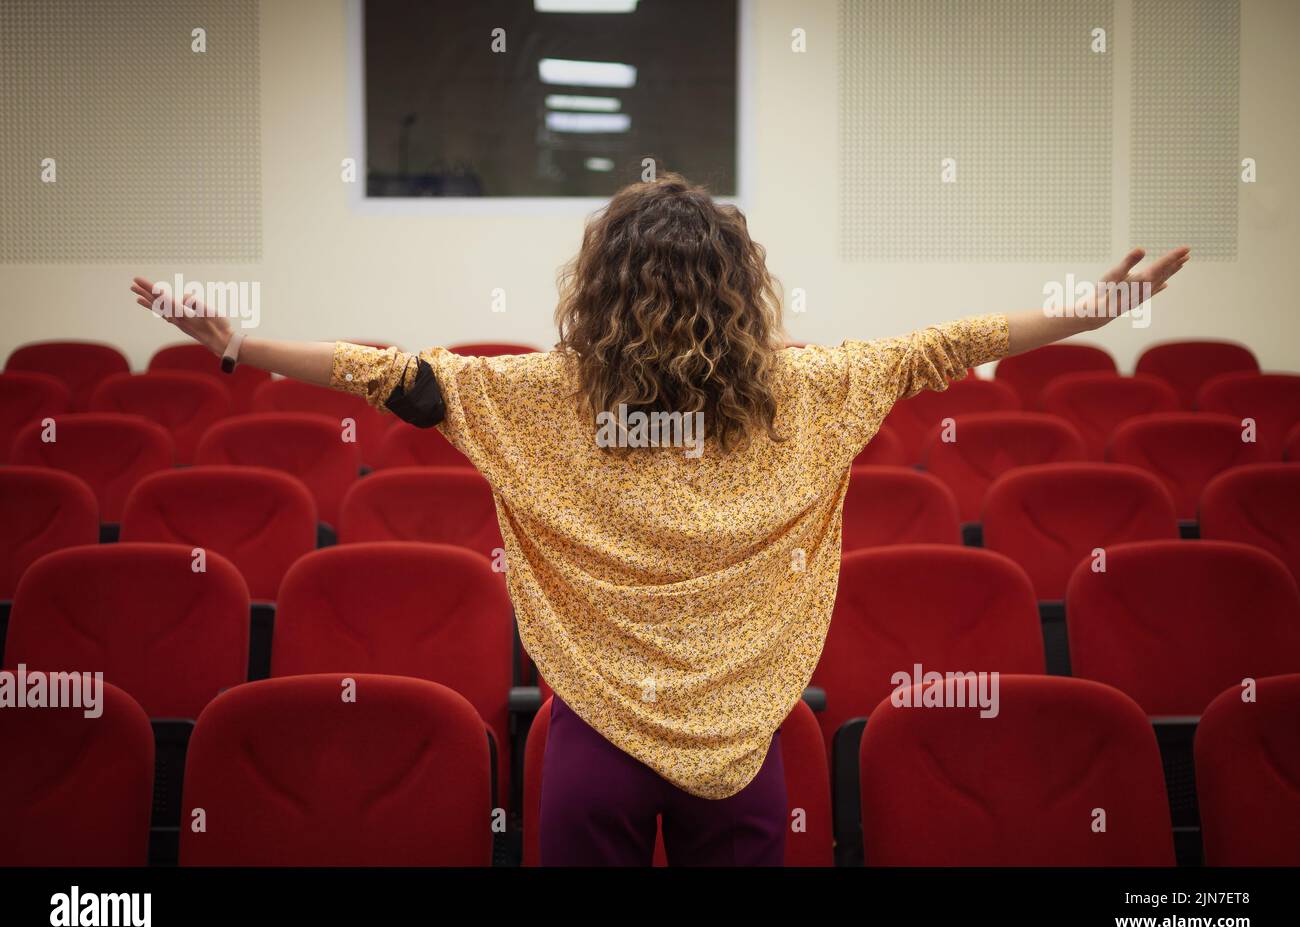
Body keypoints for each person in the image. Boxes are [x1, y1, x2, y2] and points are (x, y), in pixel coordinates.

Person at [130, 173, 1189, 866]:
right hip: (745, 748)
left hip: (588, 740)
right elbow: (939, 347)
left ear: (599, 290)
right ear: (736, 291)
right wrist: (1083, 311)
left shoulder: (546, 396)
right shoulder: (802, 390)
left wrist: (240, 346)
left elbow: (393, 376)